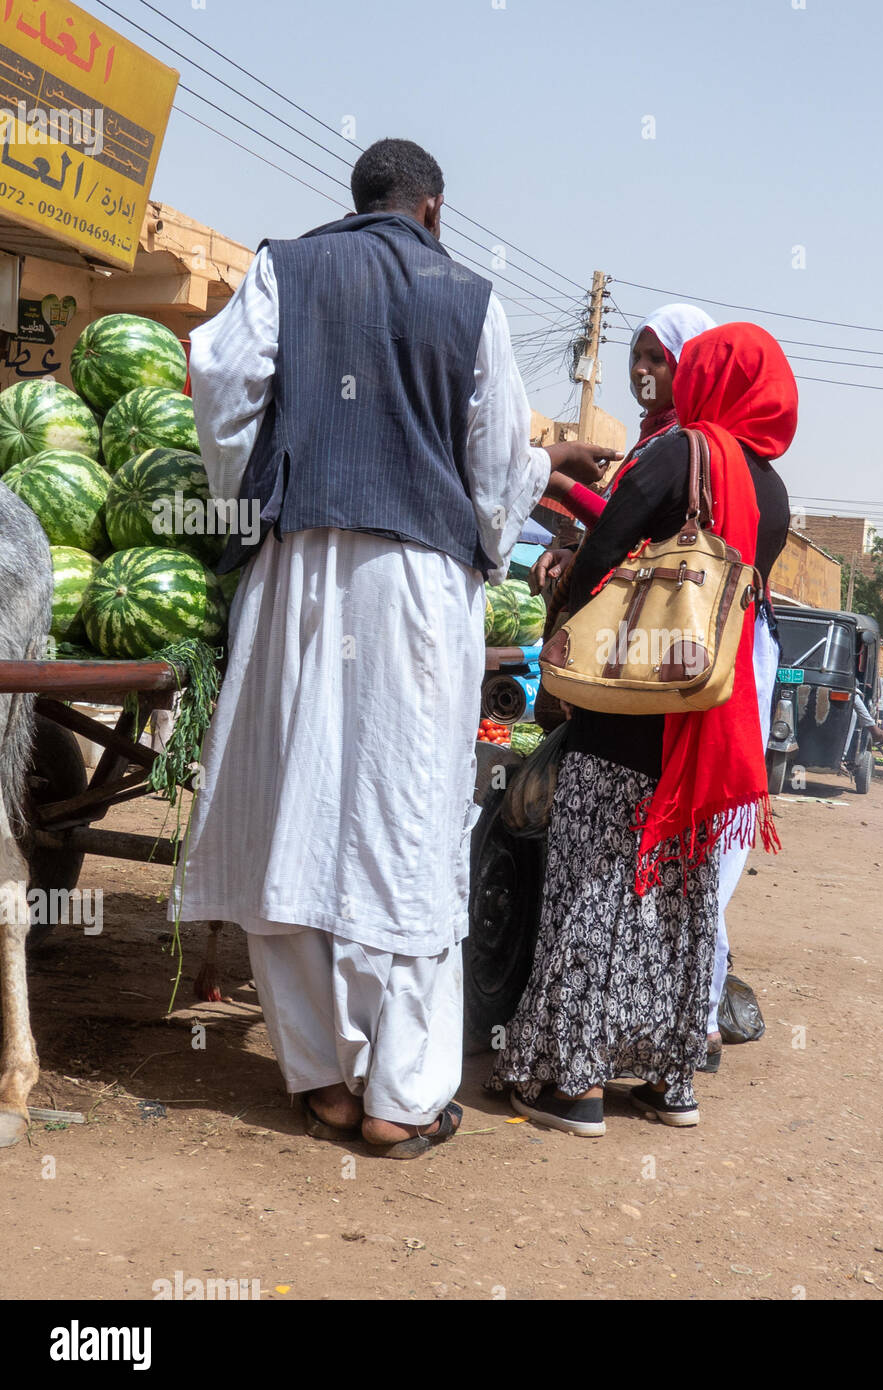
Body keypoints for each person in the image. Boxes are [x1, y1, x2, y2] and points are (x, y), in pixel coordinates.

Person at [169, 139, 613, 1158]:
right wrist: (493, 532)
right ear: (434, 210)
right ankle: (401, 1100)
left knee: (290, 817)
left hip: (297, 577)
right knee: (404, 832)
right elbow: (499, 461)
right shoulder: (470, 298)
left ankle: (322, 1079)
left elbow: (223, 382)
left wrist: (257, 496)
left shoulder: (287, 264)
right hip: (415, 589)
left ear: (362, 202)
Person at [490, 323, 796, 1135]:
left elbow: (600, 562)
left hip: (630, 710)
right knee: (681, 899)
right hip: (707, 723)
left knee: (593, 883)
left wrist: (562, 614)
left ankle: (573, 1085)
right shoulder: (772, 491)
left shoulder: (678, 453)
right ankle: (670, 1080)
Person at [532, 303, 717, 590]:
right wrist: (574, 553)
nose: (640, 369)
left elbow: (623, 526)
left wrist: (556, 482)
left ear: (688, 367)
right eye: (636, 355)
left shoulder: (683, 444)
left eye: (656, 358)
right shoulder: (654, 436)